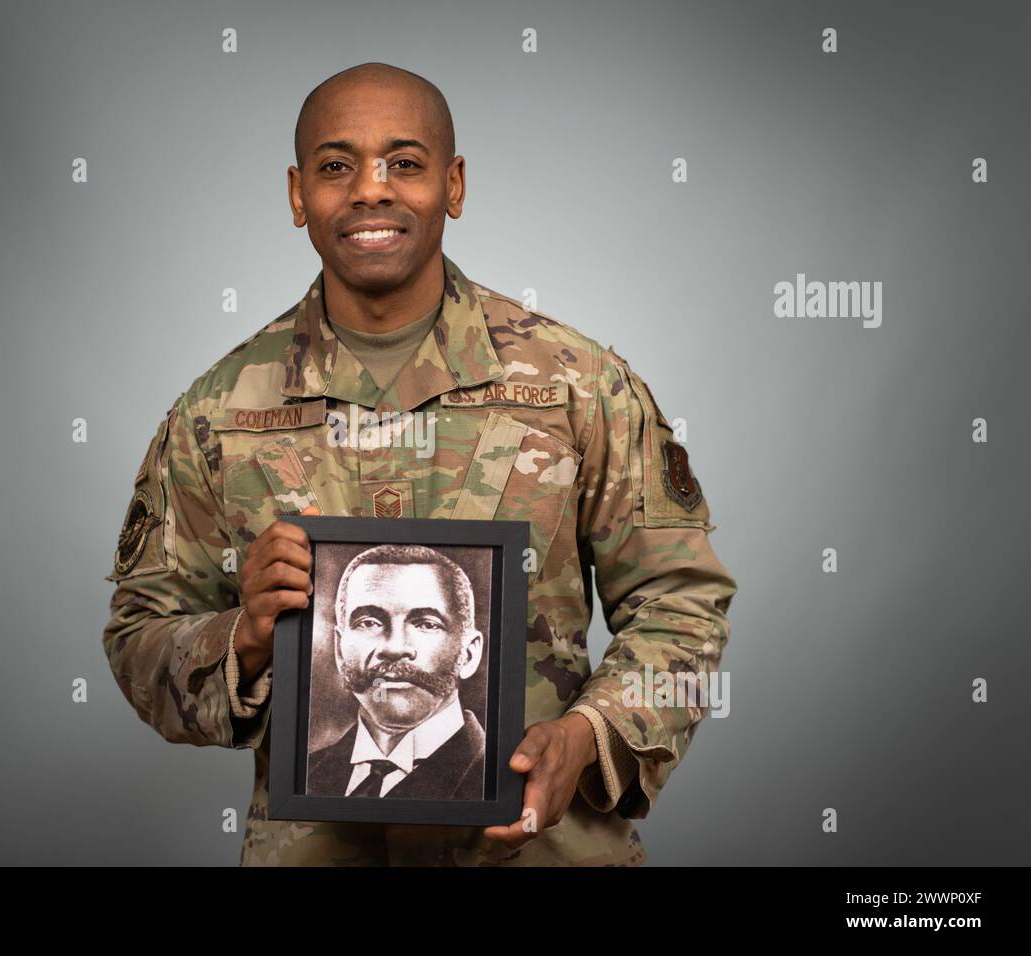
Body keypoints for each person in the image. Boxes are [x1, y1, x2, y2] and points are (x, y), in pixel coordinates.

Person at [102, 61, 738, 866]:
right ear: (298, 196)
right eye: (337, 167)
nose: (371, 190)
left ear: (454, 185)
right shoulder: (217, 414)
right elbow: (138, 640)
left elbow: (680, 604)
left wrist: (591, 734)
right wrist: (244, 637)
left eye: (405, 163)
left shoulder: (579, 387)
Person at [306, 544, 485, 800]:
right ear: (338, 648)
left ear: (469, 654)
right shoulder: (308, 775)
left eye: (426, 624)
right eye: (369, 623)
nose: (394, 647)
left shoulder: (496, 780)